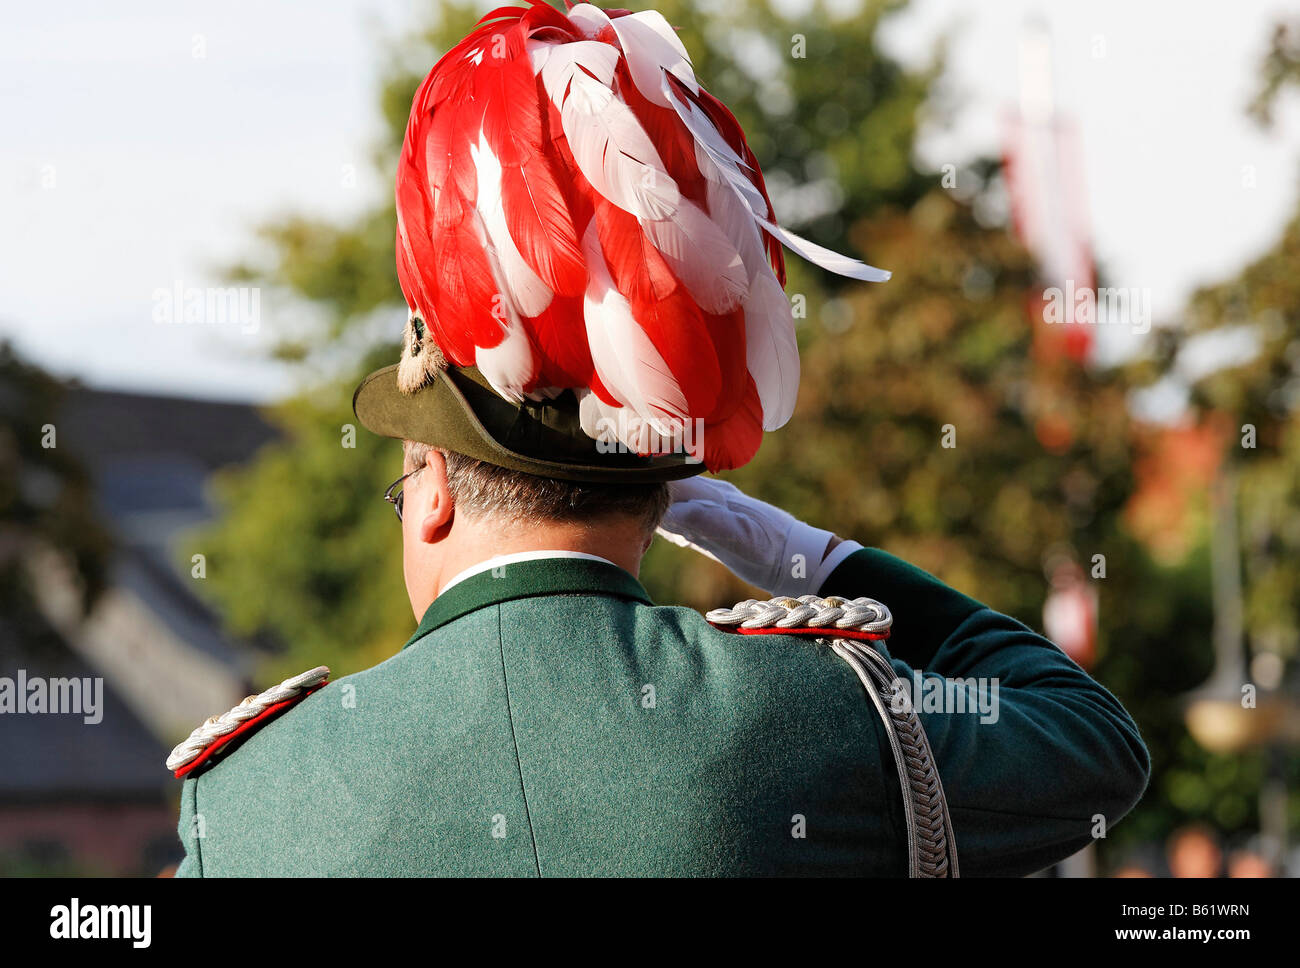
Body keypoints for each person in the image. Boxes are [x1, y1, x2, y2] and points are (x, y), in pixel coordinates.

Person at [168, 1, 1150, 876]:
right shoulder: (809, 712)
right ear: (663, 495)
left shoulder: (251, 800)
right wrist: (810, 558)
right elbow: (1092, 743)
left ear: (430, 487)